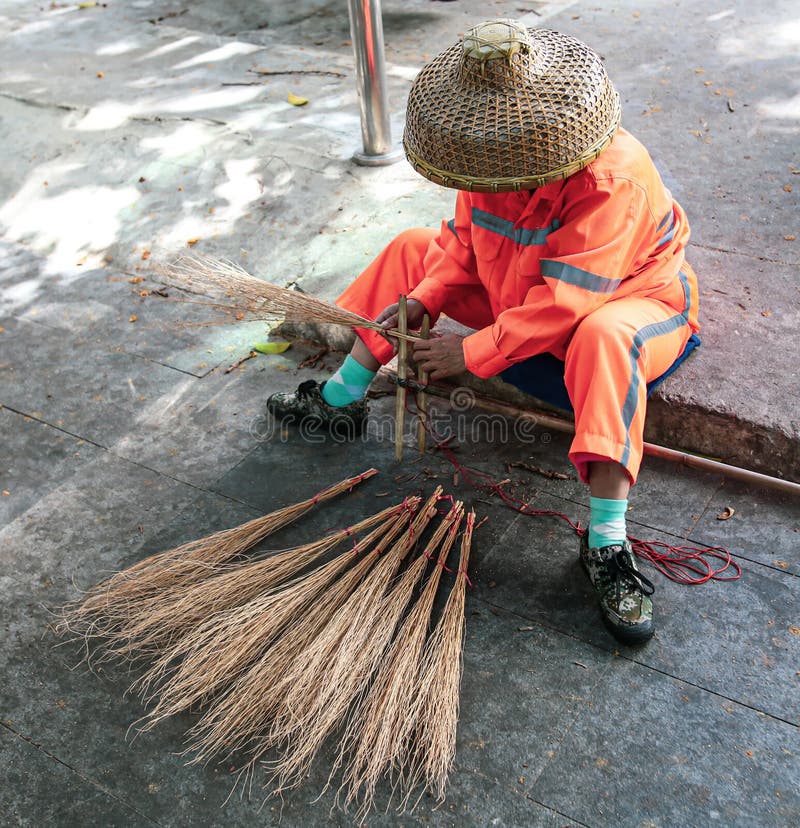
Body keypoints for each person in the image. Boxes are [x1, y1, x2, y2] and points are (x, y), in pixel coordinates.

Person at [267, 19, 701, 644]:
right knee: (414, 249)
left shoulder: (613, 179)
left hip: (631, 302)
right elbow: (463, 244)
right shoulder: (490, 151)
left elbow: (566, 302)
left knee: (605, 336)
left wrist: (468, 352)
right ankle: (341, 398)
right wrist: (424, 300)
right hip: (521, 296)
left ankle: (606, 542)